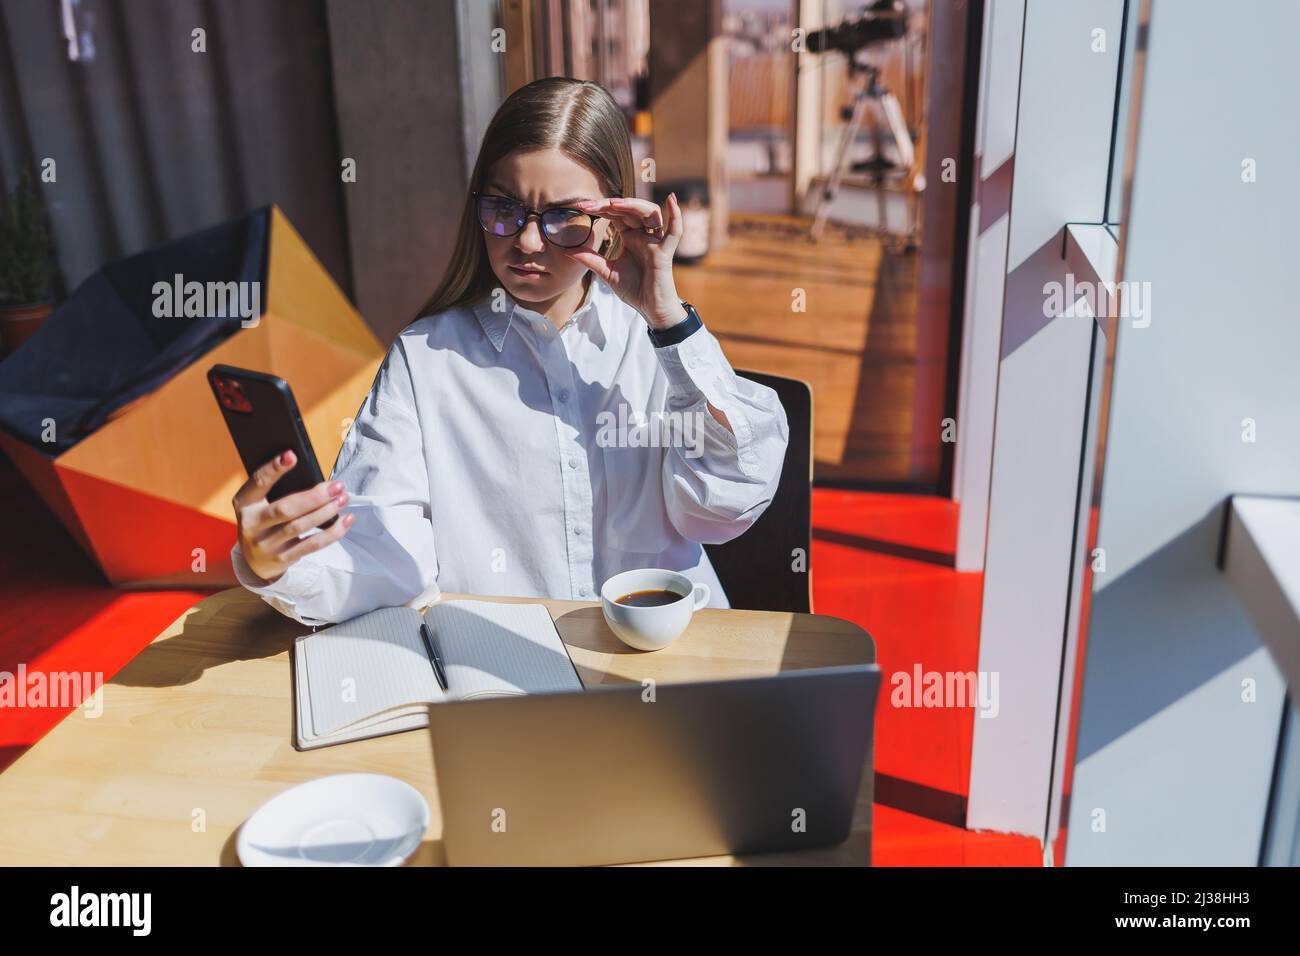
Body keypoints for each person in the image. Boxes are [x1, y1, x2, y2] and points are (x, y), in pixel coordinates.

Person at [230, 77, 788, 626]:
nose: (525, 241)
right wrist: (277, 562)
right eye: (504, 207)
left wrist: (669, 322)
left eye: (564, 217)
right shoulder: (425, 361)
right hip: (504, 676)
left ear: (611, 221)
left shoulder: (657, 346)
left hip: (665, 668)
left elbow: (725, 501)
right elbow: (383, 554)